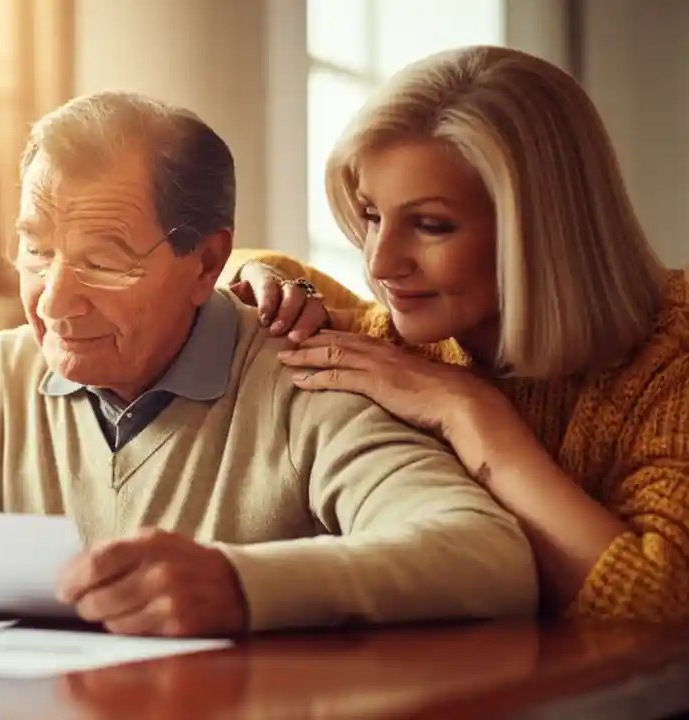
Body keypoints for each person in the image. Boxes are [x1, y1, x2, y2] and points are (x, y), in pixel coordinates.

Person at [0, 91, 536, 636]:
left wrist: (239, 585)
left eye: (105, 261)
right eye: (36, 251)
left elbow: (484, 553)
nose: (53, 301)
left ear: (207, 262)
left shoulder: (305, 377)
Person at [228, 45, 689, 621]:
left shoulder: (673, 355)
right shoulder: (405, 341)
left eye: (430, 225)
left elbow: (655, 605)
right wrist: (258, 276)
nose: (380, 261)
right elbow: (240, 270)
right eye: (372, 215)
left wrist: (470, 412)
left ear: (539, 231)